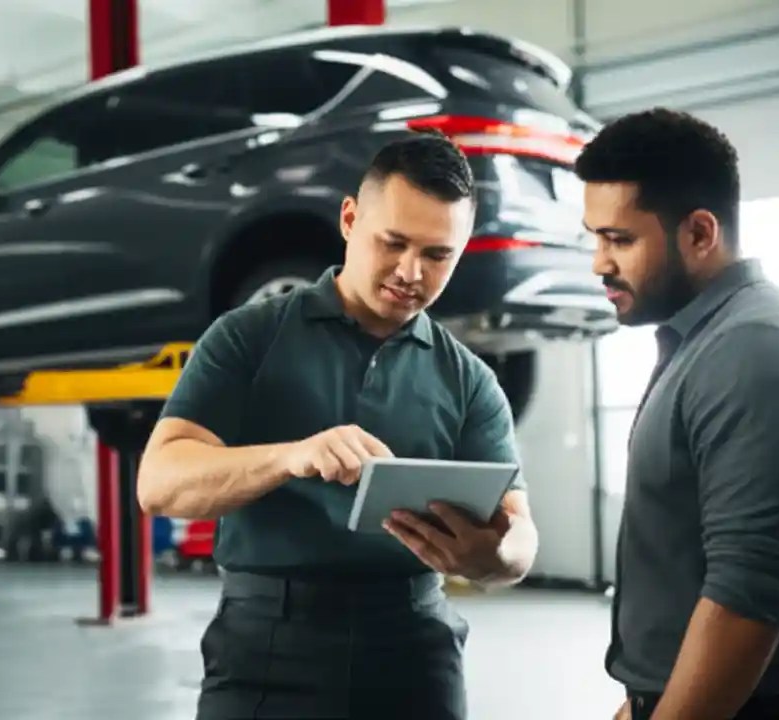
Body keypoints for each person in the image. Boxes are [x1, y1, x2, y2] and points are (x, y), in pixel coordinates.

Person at [137, 132, 539, 720]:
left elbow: (521, 537)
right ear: (350, 219)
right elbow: (159, 483)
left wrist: (493, 553)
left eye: (437, 255)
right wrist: (289, 457)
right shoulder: (248, 336)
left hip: (415, 648)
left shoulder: (469, 379)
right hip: (268, 643)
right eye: (394, 242)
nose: (411, 272)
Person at [576, 108, 779, 720]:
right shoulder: (708, 342)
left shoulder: (756, 352)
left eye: (619, 239)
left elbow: (746, 601)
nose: (599, 262)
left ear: (700, 234)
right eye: (594, 237)